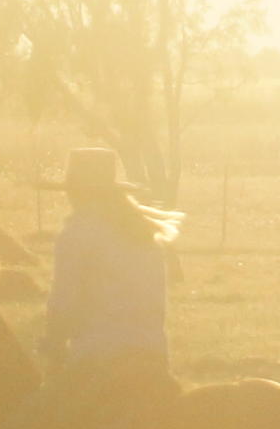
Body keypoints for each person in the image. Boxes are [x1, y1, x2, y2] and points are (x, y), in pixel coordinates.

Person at [44, 146, 179, 372]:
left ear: (76, 191)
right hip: (153, 357)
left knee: (40, 407)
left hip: (98, 356)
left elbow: (63, 302)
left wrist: (53, 344)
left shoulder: (77, 232)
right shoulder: (144, 233)